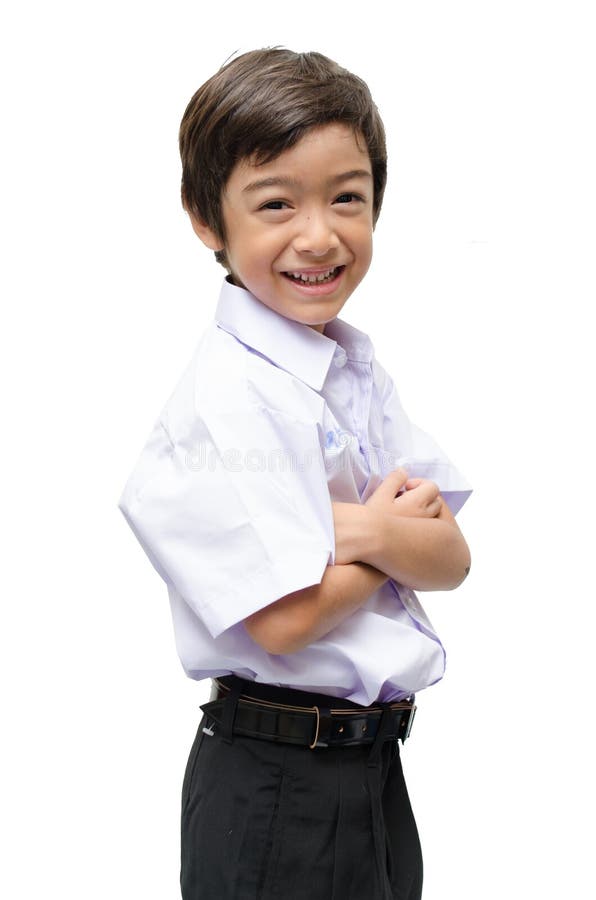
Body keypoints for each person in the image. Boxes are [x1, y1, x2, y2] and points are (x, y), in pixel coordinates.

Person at [118, 47, 472, 900]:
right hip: (277, 784)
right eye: (276, 203)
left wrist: (340, 531)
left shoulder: (350, 368)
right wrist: (393, 537)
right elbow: (284, 620)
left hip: (375, 771)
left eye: (347, 197)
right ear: (209, 220)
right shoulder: (225, 398)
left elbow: (454, 558)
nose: (319, 235)